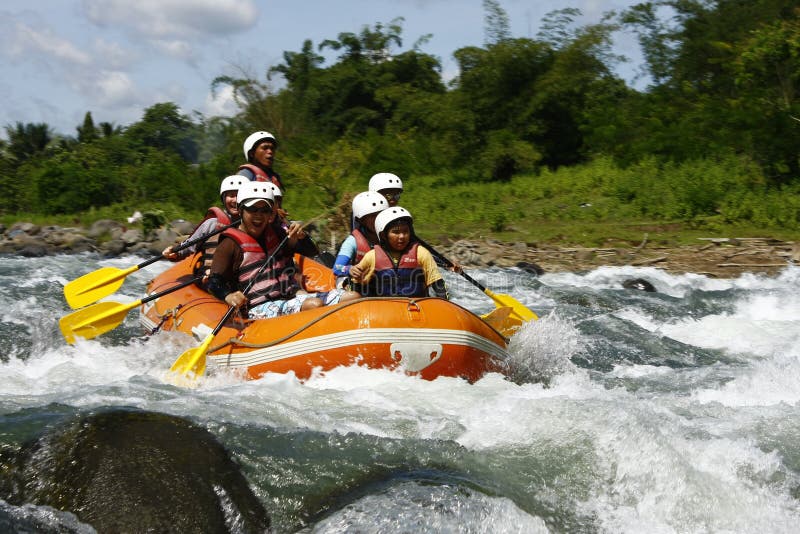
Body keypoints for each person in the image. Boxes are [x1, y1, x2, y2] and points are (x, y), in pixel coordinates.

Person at [207, 182, 360, 319]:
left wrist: (301, 237)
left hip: (290, 297)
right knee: (314, 305)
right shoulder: (229, 243)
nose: (259, 216)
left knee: (352, 297)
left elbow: (311, 251)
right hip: (258, 308)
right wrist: (228, 296)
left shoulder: (277, 233)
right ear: (240, 210)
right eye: (252, 209)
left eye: (265, 210)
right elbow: (214, 282)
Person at [349, 206, 449, 299]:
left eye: (405, 231)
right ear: (383, 235)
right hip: (383, 312)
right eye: (396, 232)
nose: (402, 236)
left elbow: (438, 284)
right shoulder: (372, 257)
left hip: (416, 310)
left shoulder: (421, 253)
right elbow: (355, 287)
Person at [162, 175, 246, 281]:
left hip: (240, 279)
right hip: (209, 279)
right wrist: (174, 253)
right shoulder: (211, 224)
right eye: (231, 195)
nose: (235, 200)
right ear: (224, 199)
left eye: (239, 195)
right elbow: (187, 247)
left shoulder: (254, 226)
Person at [332, 191, 387, 282]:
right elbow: (337, 268)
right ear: (361, 220)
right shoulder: (352, 241)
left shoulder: (393, 236)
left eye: (380, 214)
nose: (377, 219)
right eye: (372, 216)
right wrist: (349, 269)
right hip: (360, 284)